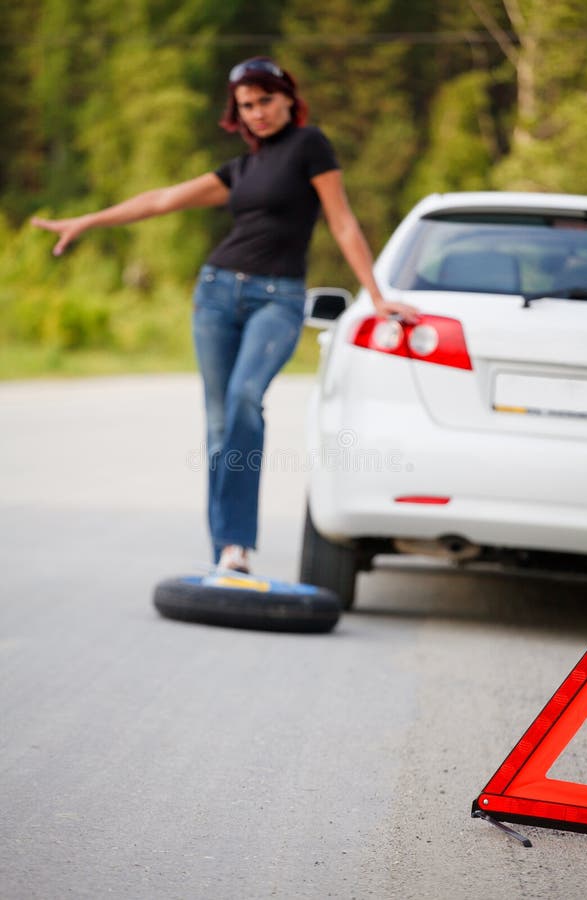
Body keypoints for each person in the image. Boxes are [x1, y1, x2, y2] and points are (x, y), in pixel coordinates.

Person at [32, 56, 419, 574]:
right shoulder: (239, 171)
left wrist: (376, 294)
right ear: (236, 114)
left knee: (243, 399)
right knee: (218, 426)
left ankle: (234, 540)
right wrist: (86, 221)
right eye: (245, 106)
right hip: (215, 296)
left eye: (264, 100)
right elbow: (162, 199)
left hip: (278, 300)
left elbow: (342, 222)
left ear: (287, 98)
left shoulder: (310, 147)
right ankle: (230, 551)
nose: (256, 113)